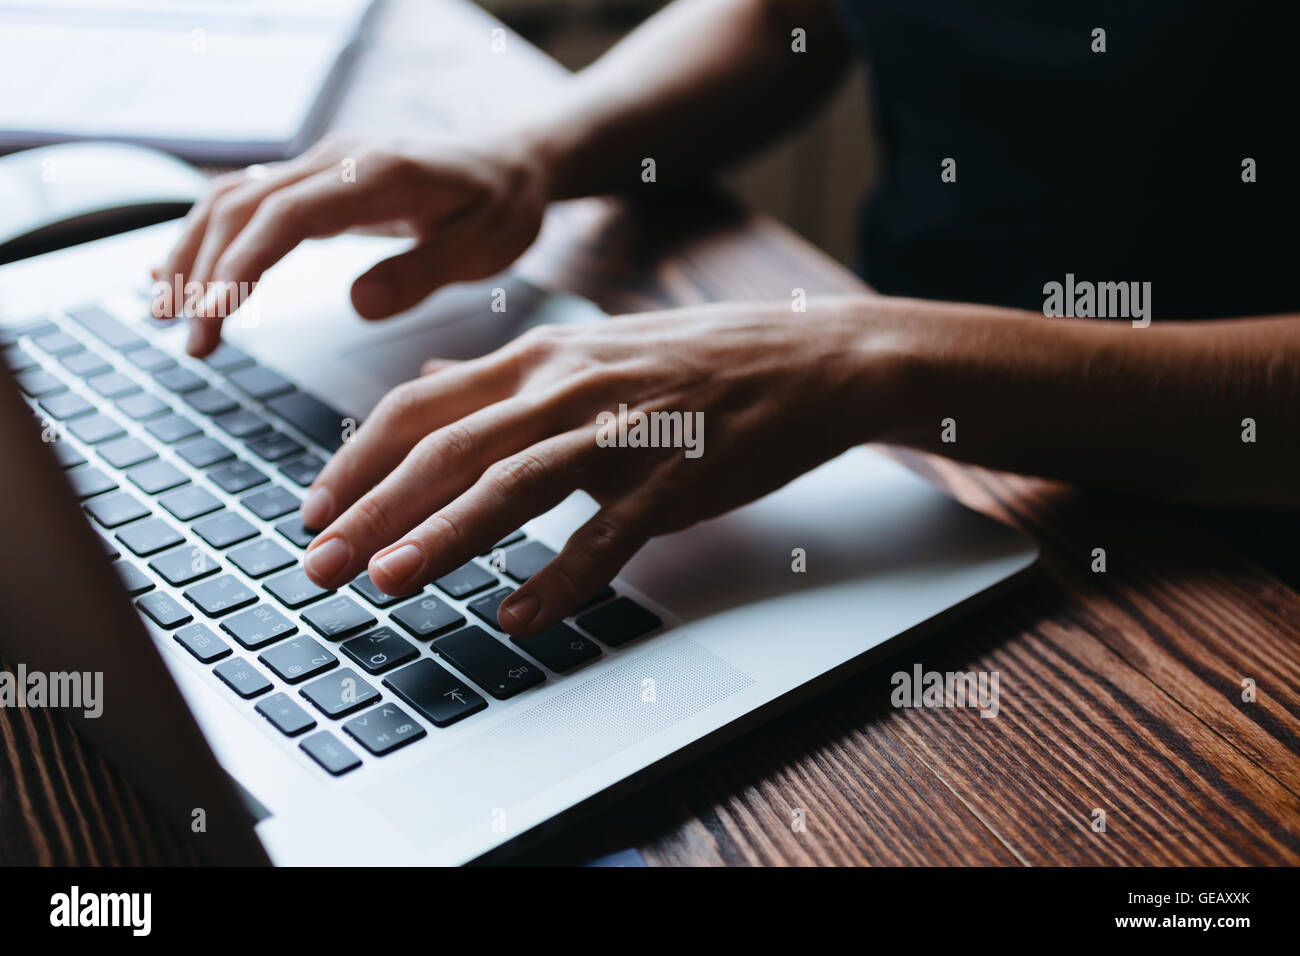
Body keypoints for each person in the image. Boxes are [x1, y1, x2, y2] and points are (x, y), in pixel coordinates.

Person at [155, 0, 1298, 638]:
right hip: (910, 449)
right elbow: (783, 16)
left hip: (1224, 555)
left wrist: (871, 357)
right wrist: (529, 152)